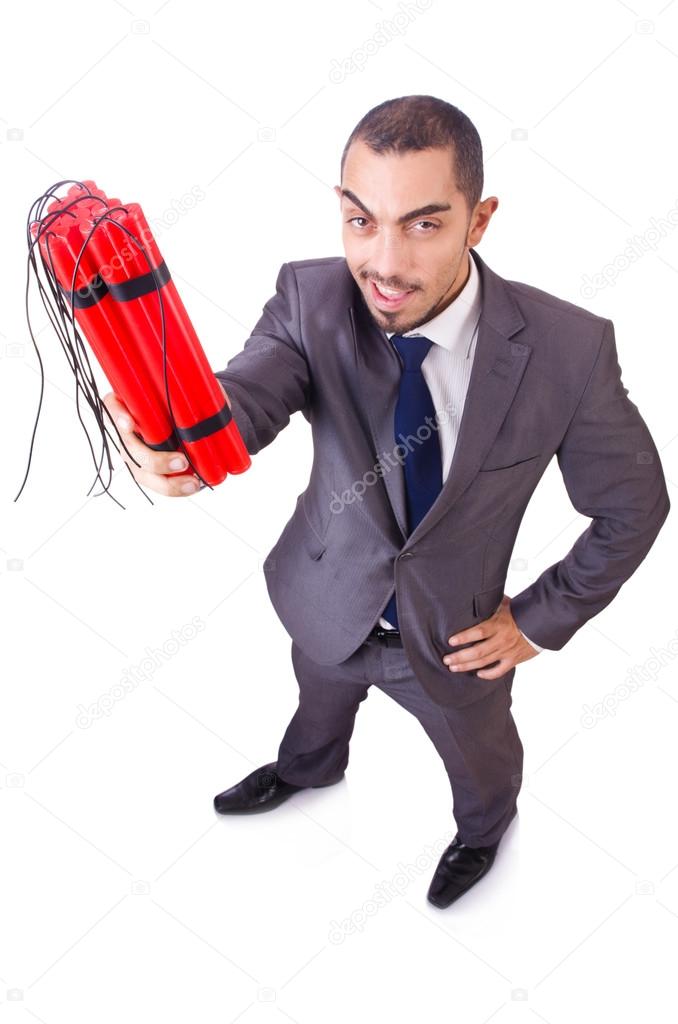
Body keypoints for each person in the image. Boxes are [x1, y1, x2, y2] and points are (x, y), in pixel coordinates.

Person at [103, 95, 670, 909]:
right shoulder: (311, 299)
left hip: (453, 640)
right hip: (327, 599)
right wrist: (187, 441)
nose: (385, 261)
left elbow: (633, 507)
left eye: (424, 225)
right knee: (315, 705)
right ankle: (309, 769)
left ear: (479, 222)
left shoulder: (568, 350)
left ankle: (483, 832)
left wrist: (539, 619)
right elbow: (247, 397)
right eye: (360, 220)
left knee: (479, 761)